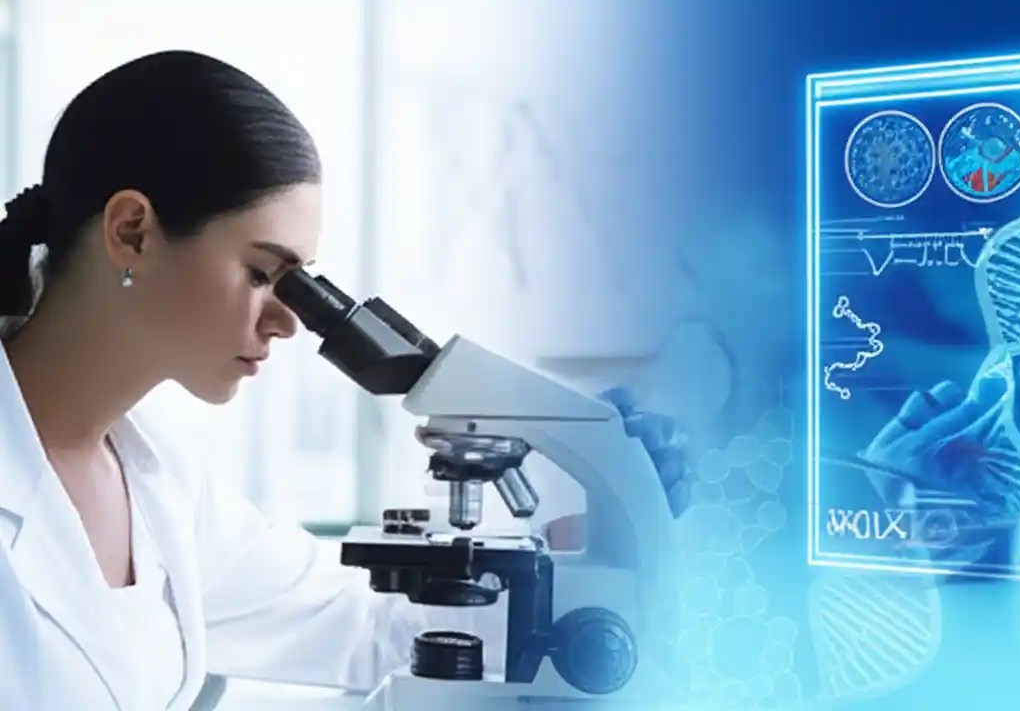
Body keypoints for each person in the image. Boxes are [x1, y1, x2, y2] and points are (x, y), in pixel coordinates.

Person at [0, 50, 685, 710]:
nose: (288, 322)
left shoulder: (158, 484)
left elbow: (371, 633)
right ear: (133, 232)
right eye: (264, 274)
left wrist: (588, 556)